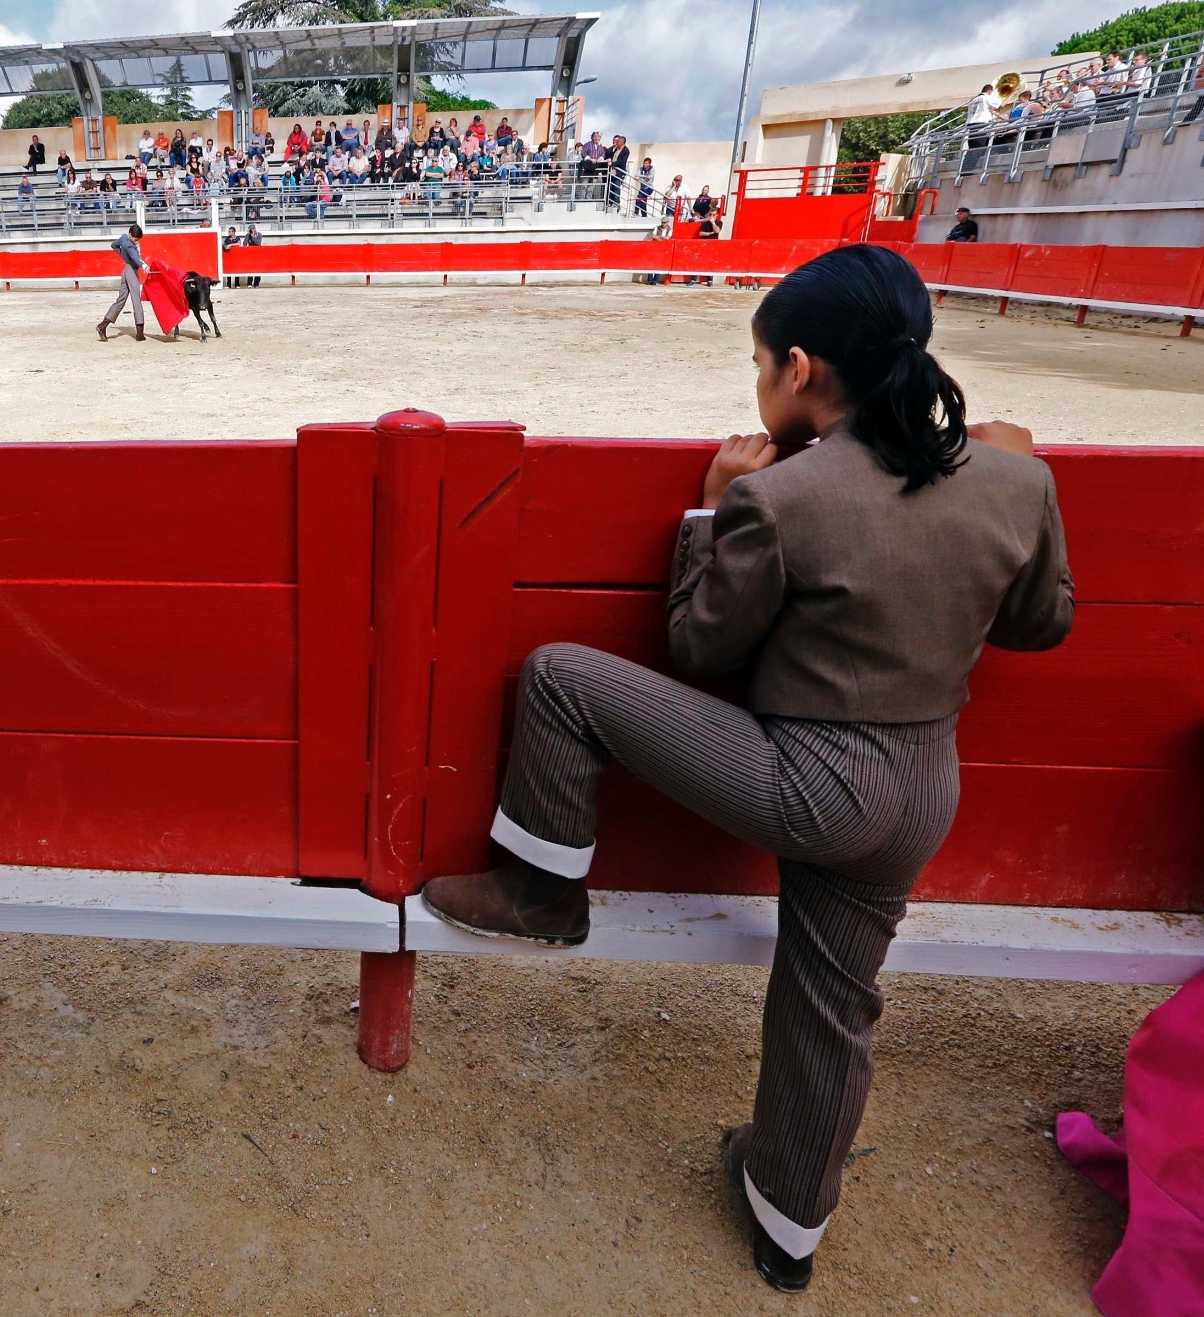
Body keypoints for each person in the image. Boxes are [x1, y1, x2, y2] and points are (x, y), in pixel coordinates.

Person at [419, 244, 1072, 1294]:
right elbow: (1041, 626)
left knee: (561, 677)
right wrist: (1033, 484)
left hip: (812, 785)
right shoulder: (1014, 479)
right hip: (922, 793)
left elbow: (700, 645)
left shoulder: (784, 496)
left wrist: (712, 509)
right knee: (833, 1000)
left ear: (800, 369)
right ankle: (787, 1233)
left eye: (762, 364)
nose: (761, 382)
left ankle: (542, 890)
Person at [97, 222, 148, 341]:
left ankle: (103, 325)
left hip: (126, 271)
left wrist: (124, 257)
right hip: (132, 271)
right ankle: (140, 334)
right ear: (130, 234)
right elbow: (135, 258)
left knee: (120, 300)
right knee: (136, 301)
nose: (136, 241)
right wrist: (144, 265)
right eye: (135, 238)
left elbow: (114, 245)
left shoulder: (124, 238)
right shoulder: (130, 246)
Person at [243, 223, 262, 288]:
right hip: (250, 254)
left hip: (258, 254)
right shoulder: (248, 235)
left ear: (255, 229)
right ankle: (249, 283)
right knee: (250, 268)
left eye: (253, 229)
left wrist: (253, 237)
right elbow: (244, 243)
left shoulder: (259, 235)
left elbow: (258, 243)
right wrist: (248, 236)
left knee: (258, 269)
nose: (252, 231)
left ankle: (256, 284)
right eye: (250, 229)